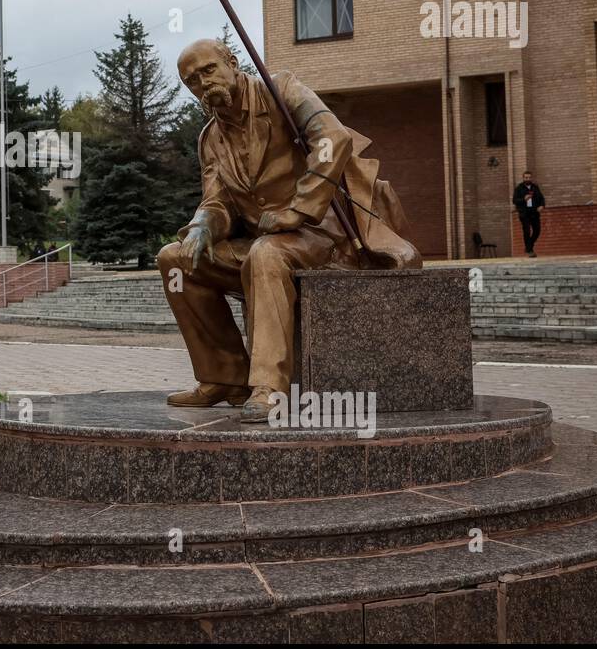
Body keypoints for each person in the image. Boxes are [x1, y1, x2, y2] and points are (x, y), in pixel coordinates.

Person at [159, 39, 422, 421]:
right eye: (192, 80)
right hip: (263, 242)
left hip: (322, 237)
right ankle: (224, 376)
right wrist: (202, 224)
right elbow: (218, 201)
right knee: (175, 260)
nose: (202, 82)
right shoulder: (210, 138)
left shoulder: (281, 91)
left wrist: (297, 209)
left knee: (268, 253)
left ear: (232, 62)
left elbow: (334, 140)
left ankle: (269, 387)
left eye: (208, 70)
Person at [513, 171, 547, 257]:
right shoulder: (519, 188)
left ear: (531, 178)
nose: (528, 179)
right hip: (524, 213)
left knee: (537, 230)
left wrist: (542, 206)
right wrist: (524, 199)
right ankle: (530, 250)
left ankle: (529, 246)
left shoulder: (535, 187)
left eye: (529, 177)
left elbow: (541, 198)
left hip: (534, 212)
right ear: (523, 178)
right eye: (526, 177)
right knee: (527, 230)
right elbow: (514, 200)